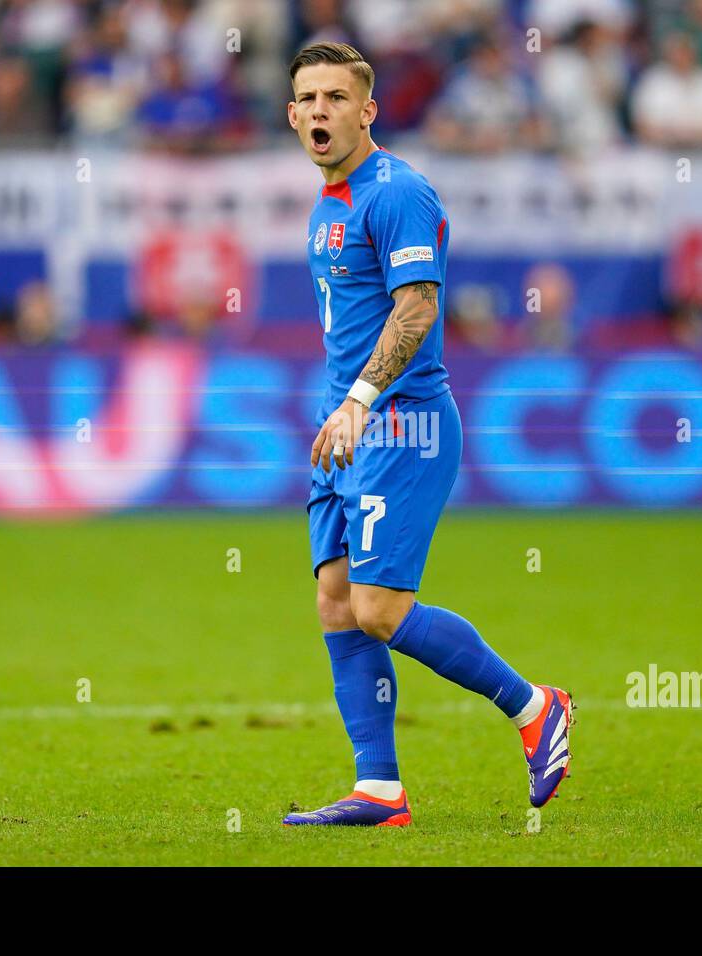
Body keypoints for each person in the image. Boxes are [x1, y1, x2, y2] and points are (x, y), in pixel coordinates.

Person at [283, 42, 573, 827]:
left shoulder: (398, 191)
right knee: (336, 599)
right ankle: (379, 788)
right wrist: (341, 409)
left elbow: (417, 309)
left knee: (378, 606)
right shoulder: (326, 204)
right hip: (345, 424)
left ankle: (535, 706)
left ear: (368, 110)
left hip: (400, 422)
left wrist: (362, 401)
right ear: (291, 113)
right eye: (307, 99)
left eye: (336, 98)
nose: (320, 112)